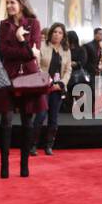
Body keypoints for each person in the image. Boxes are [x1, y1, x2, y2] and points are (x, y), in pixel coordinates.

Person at [0, 0, 45, 178]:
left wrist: (21, 39)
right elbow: (5, 51)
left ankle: (24, 165)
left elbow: (33, 53)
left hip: (29, 77)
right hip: (8, 76)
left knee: (27, 120)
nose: (9, 6)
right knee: (5, 120)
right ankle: (4, 167)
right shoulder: (4, 25)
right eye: (7, 3)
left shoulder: (34, 24)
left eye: (12, 2)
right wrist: (23, 46)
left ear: (22, 4)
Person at [35, 22, 71, 154]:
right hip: (44, 86)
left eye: (60, 33)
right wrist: (48, 82)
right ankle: (33, 145)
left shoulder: (66, 50)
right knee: (41, 115)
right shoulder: (43, 46)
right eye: (55, 32)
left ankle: (49, 146)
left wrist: (61, 83)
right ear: (51, 33)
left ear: (63, 35)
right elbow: (37, 65)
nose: (57, 35)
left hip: (58, 88)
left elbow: (68, 70)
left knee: (54, 118)